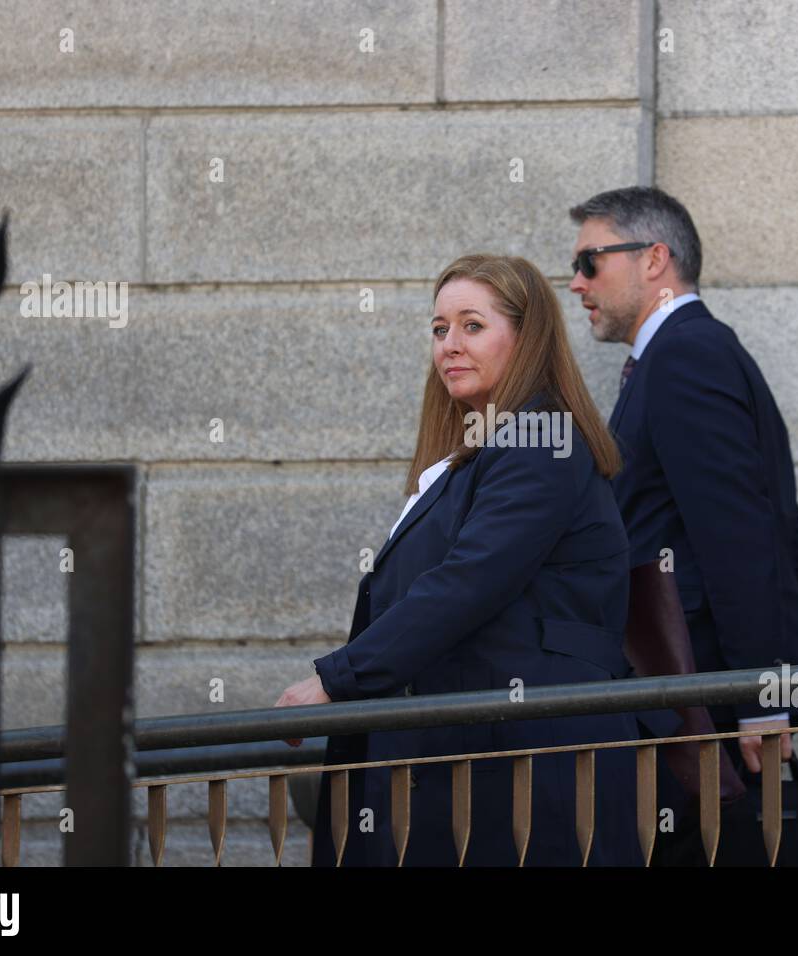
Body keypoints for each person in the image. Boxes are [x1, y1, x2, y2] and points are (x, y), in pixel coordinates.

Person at [275, 254, 645, 866]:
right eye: (439, 328)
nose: (450, 344)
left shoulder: (540, 439)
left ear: (525, 339)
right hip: (474, 758)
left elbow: (467, 583)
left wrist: (338, 679)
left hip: (525, 766)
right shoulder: (478, 451)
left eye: (472, 326)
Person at [568, 186, 798, 781]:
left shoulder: (686, 356)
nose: (577, 283)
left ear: (653, 260)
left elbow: (742, 536)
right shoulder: (674, 357)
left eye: (589, 262)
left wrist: (761, 696)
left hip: (707, 710)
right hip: (693, 703)